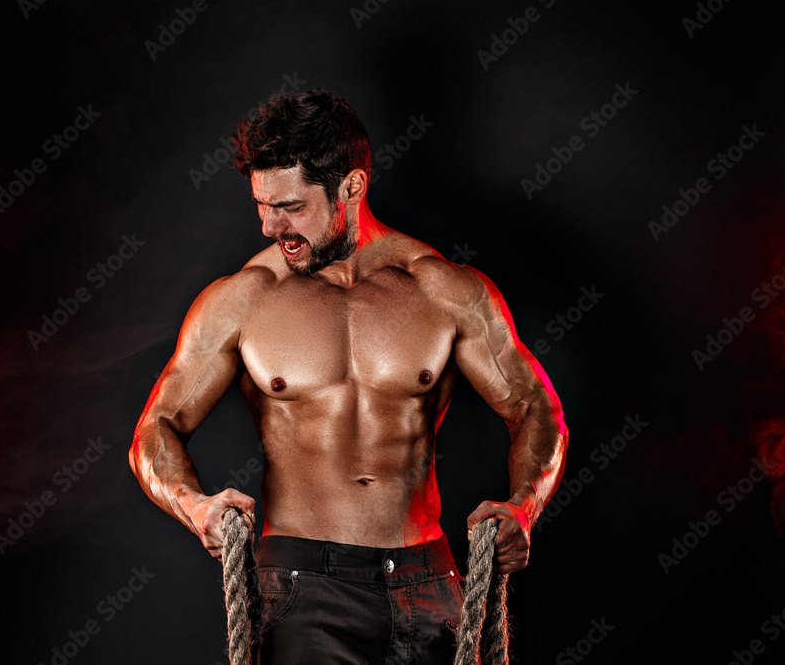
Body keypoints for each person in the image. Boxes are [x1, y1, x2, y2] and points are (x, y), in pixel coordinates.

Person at [130, 88, 568, 664]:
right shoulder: (243, 300)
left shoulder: (445, 290)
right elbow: (155, 427)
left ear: (352, 188)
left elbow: (537, 407)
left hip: (428, 583)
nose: (268, 226)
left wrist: (523, 507)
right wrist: (195, 506)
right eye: (262, 205)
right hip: (304, 591)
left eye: (289, 207)